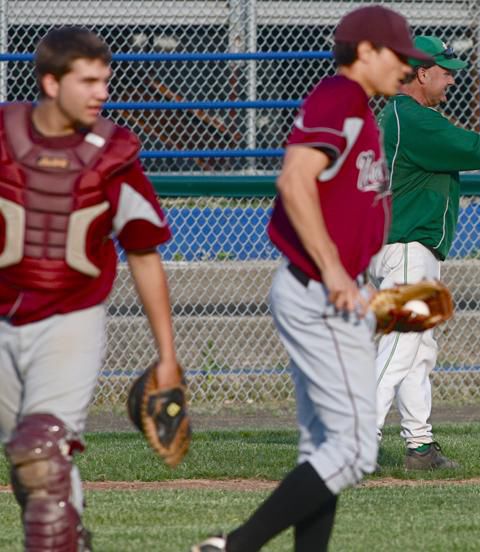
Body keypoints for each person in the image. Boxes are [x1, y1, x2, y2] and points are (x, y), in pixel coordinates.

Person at [190, 6, 429, 552]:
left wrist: (362, 285)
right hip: (320, 290)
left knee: (322, 449)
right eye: (399, 56)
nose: (407, 69)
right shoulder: (339, 98)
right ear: (366, 52)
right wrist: (336, 273)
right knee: (354, 451)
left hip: (328, 288)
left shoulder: (358, 108)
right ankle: (237, 546)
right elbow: (294, 181)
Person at [0, 27, 182, 550]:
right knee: (28, 466)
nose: (102, 92)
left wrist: (167, 356)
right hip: (4, 316)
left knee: (41, 452)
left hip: (70, 320)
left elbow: (144, 254)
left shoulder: (112, 155)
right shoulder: (3, 137)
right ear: (51, 82)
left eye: (105, 80)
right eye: (88, 81)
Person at [371, 35, 480, 470]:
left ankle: (419, 446)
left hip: (408, 245)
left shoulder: (405, 115)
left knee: (418, 351)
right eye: (444, 72)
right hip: (406, 247)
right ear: (420, 73)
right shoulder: (412, 117)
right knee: (400, 346)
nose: (451, 80)